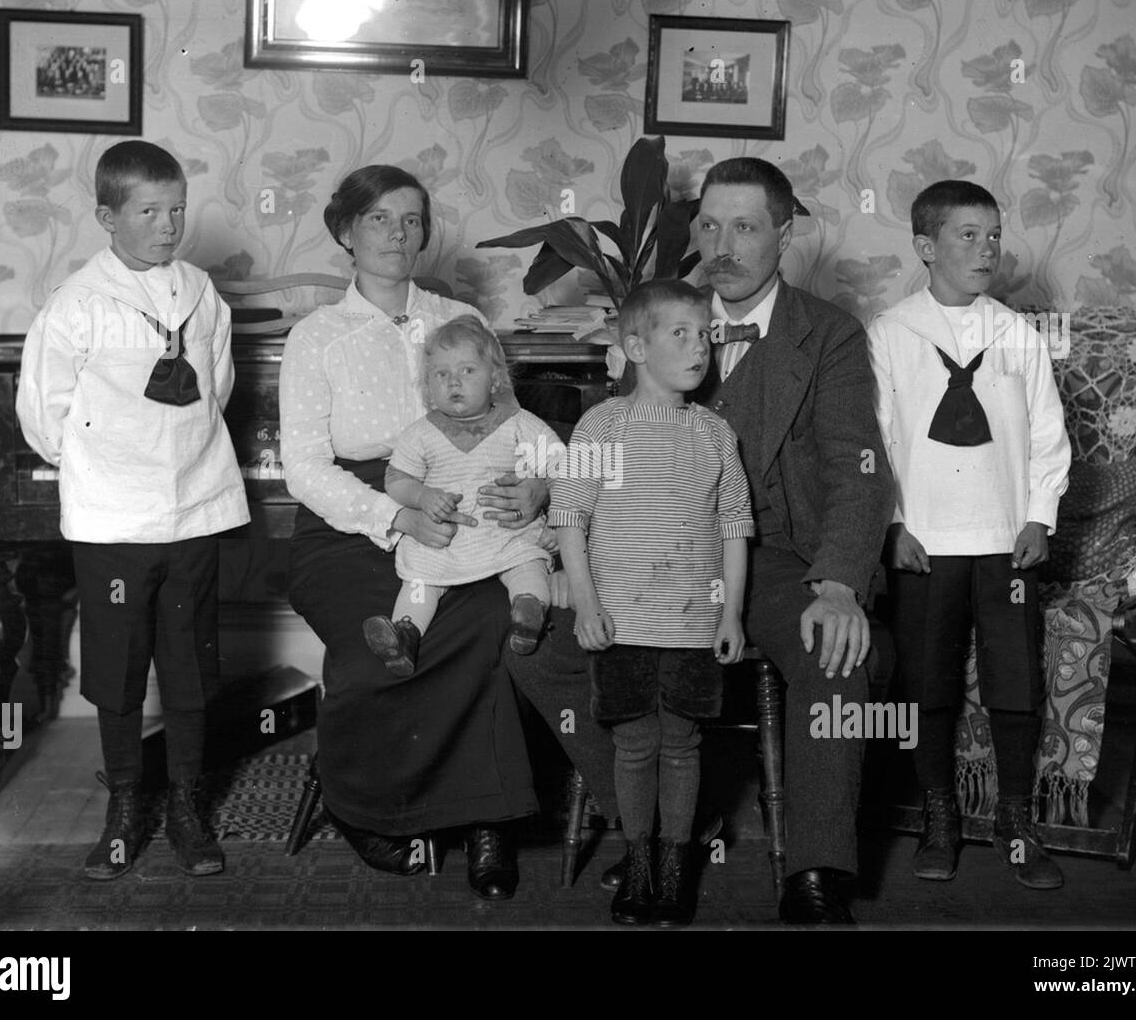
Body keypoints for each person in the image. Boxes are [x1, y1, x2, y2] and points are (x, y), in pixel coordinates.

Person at [509, 157, 895, 924]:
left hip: (777, 556)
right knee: (537, 648)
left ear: (784, 232)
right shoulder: (660, 318)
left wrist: (839, 583)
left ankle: (817, 869)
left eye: (745, 226)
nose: (723, 244)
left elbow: (858, 469)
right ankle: (658, 827)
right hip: (649, 557)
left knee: (838, 649)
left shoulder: (829, 335)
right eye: (710, 225)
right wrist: (548, 494)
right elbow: (603, 442)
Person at [280, 165, 541, 900]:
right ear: (346, 232)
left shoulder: (460, 317)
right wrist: (396, 516)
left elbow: (511, 423)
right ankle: (363, 805)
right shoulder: (316, 336)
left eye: (412, 220)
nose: (397, 234)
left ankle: (488, 818)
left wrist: (535, 484)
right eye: (378, 219)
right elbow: (304, 466)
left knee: (487, 616)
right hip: (350, 523)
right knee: (380, 642)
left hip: (460, 511)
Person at [17, 139, 248, 880]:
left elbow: (217, 387)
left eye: (176, 209)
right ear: (107, 217)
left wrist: (177, 461)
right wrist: (104, 468)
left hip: (194, 510)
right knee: (117, 669)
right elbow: (43, 412)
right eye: (148, 211)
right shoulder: (77, 303)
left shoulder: (202, 293)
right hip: (112, 520)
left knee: (189, 667)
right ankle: (123, 806)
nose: (167, 225)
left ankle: (185, 806)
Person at [868, 180, 1071, 890]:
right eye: (968, 235)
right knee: (928, 679)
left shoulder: (1019, 335)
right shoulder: (889, 334)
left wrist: (1038, 515)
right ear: (925, 246)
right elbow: (878, 439)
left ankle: (1016, 821)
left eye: (994, 236)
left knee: (1014, 677)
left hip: (1004, 538)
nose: (987, 250)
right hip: (925, 539)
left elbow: (1047, 434)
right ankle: (939, 816)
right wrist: (893, 524)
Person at [552, 279, 752, 927]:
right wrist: (587, 606)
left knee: (683, 743)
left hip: (693, 622)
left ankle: (674, 868)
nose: (698, 349)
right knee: (635, 744)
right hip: (622, 621)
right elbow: (570, 519)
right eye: (680, 334)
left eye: (705, 336)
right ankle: (638, 866)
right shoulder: (602, 425)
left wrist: (730, 613)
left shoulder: (714, 433)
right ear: (637, 347)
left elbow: (734, 528)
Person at [364, 315, 559, 674]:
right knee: (419, 579)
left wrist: (552, 509)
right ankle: (404, 635)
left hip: (507, 534)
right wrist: (422, 496)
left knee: (528, 562)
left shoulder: (519, 424)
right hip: (443, 540)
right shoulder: (420, 433)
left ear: (495, 379)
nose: (453, 381)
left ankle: (528, 611)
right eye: (441, 374)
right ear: (427, 386)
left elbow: (563, 467)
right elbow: (397, 480)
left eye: (468, 370)